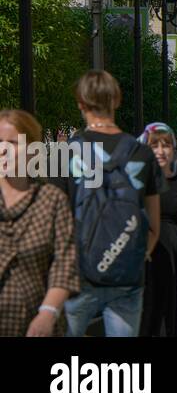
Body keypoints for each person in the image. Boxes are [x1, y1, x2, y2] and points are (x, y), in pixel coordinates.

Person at [63, 70, 162, 338]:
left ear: (80, 104)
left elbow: (58, 219)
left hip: (78, 272)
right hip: (126, 272)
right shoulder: (141, 153)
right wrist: (136, 256)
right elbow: (154, 225)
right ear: (117, 100)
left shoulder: (69, 152)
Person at [0, 110, 79, 337]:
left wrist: (48, 311)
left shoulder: (51, 200)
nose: (4, 149)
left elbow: (65, 264)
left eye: (13, 142)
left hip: (37, 324)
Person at [140, 123, 177, 337]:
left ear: (173, 149)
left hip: (175, 254)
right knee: (148, 314)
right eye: (154, 145)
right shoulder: (136, 183)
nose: (160, 150)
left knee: (176, 312)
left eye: (166, 145)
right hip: (145, 253)